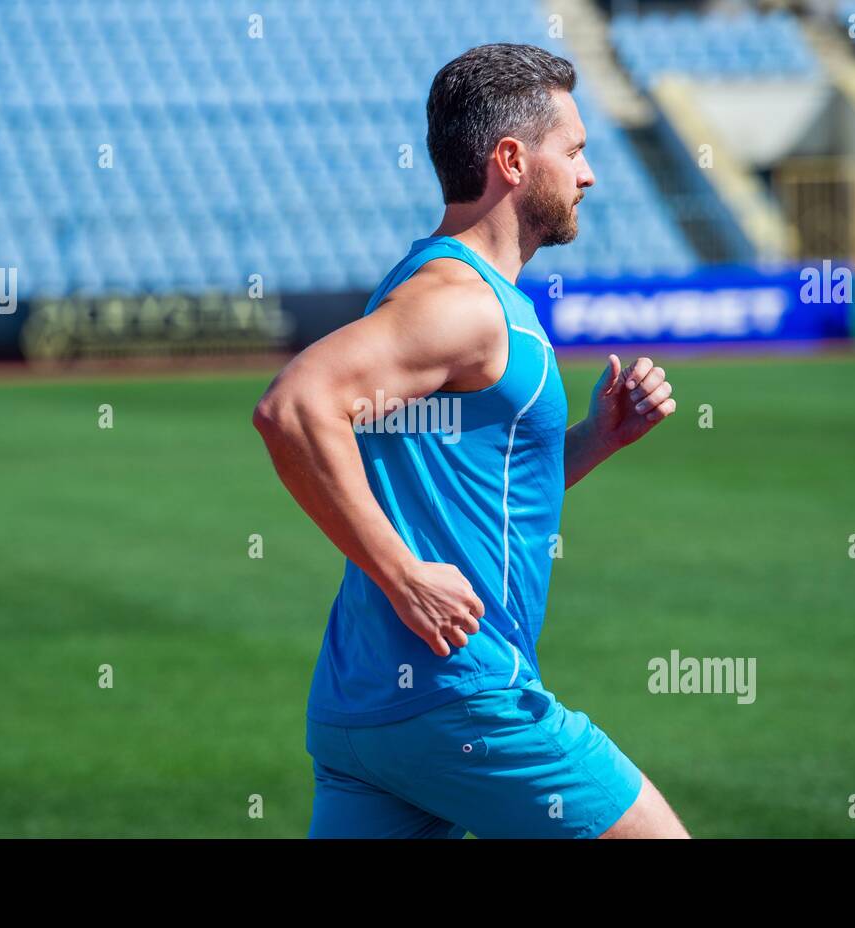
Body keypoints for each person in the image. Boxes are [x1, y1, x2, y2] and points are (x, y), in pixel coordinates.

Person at [253, 43, 687, 838]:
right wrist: (402, 572)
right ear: (513, 160)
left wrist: (597, 437)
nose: (589, 175)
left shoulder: (440, 286)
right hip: (463, 700)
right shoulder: (461, 303)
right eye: (577, 151)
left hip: (370, 712)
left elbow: (474, 485)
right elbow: (294, 407)